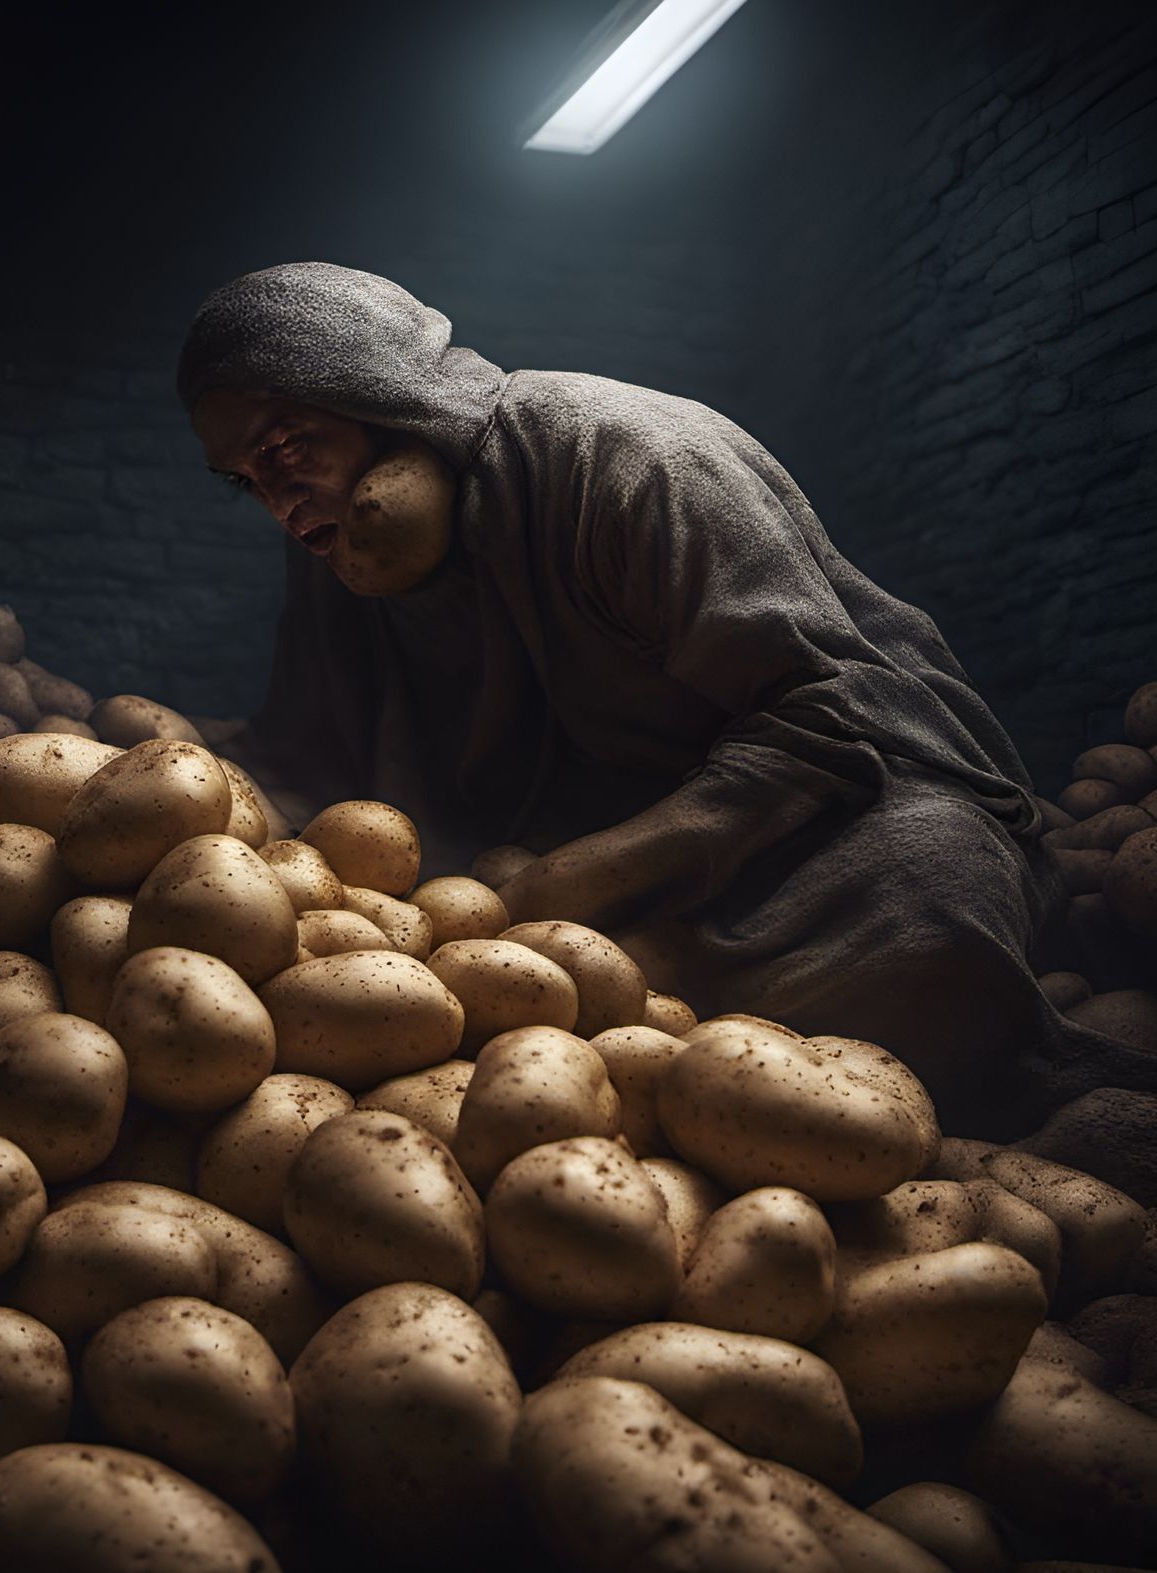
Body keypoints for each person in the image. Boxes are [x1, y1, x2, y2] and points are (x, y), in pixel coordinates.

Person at [177, 260, 1154, 1135]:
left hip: (819, 821)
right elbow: (308, 750)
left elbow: (827, 711)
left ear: (374, 389)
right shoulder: (340, 553)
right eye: (242, 479)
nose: (277, 495)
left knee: (924, 904)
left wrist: (582, 880)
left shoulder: (630, 457)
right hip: (564, 857)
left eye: (287, 440)